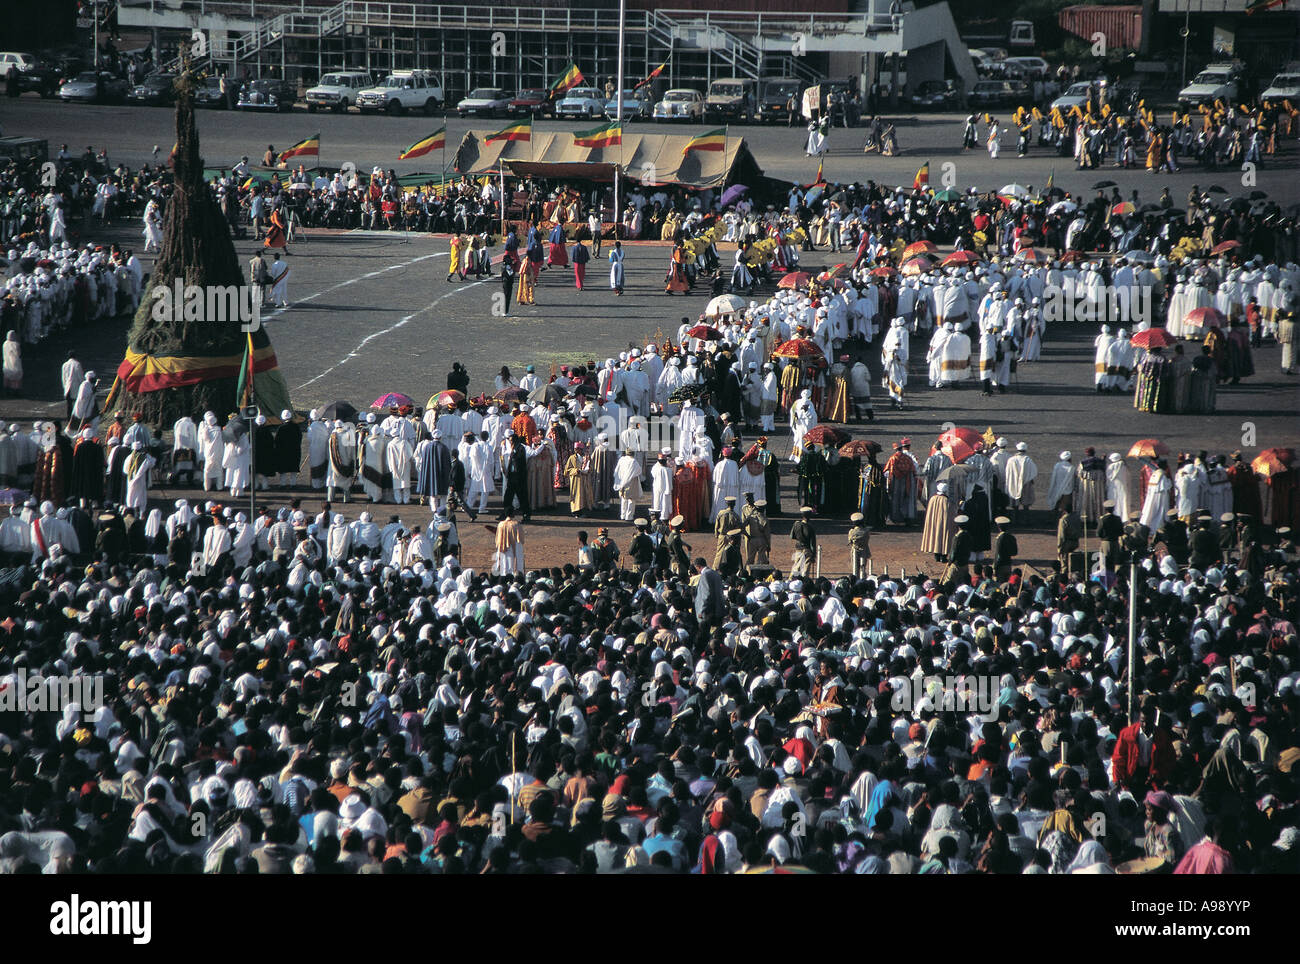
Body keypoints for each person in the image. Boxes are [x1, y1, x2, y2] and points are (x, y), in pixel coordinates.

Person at [789, 505, 816, 576]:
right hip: (807, 549)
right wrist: (813, 555)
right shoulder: (810, 527)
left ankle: (792, 579)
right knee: (805, 569)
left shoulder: (796, 524)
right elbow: (812, 543)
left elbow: (792, 536)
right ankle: (804, 581)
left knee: (796, 566)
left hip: (798, 548)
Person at [847, 512, 871, 578]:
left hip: (855, 550)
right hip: (864, 550)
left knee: (855, 567)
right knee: (863, 567)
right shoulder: (866, 531)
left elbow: (850, 541)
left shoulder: (851, 531)